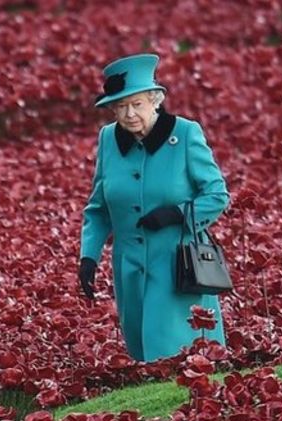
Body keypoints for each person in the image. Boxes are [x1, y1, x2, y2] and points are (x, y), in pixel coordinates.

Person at [78, 53, 230, 362]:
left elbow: (217, 195)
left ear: (155, 100)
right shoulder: (108, 140)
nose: (130, 114)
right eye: (120, 107)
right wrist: (88, 258)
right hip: (129, 268)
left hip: (179, 265)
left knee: (172, 356)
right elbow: (98, 209)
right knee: (142, 355)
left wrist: (177, 214)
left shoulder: (186, 134)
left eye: (137, 104)